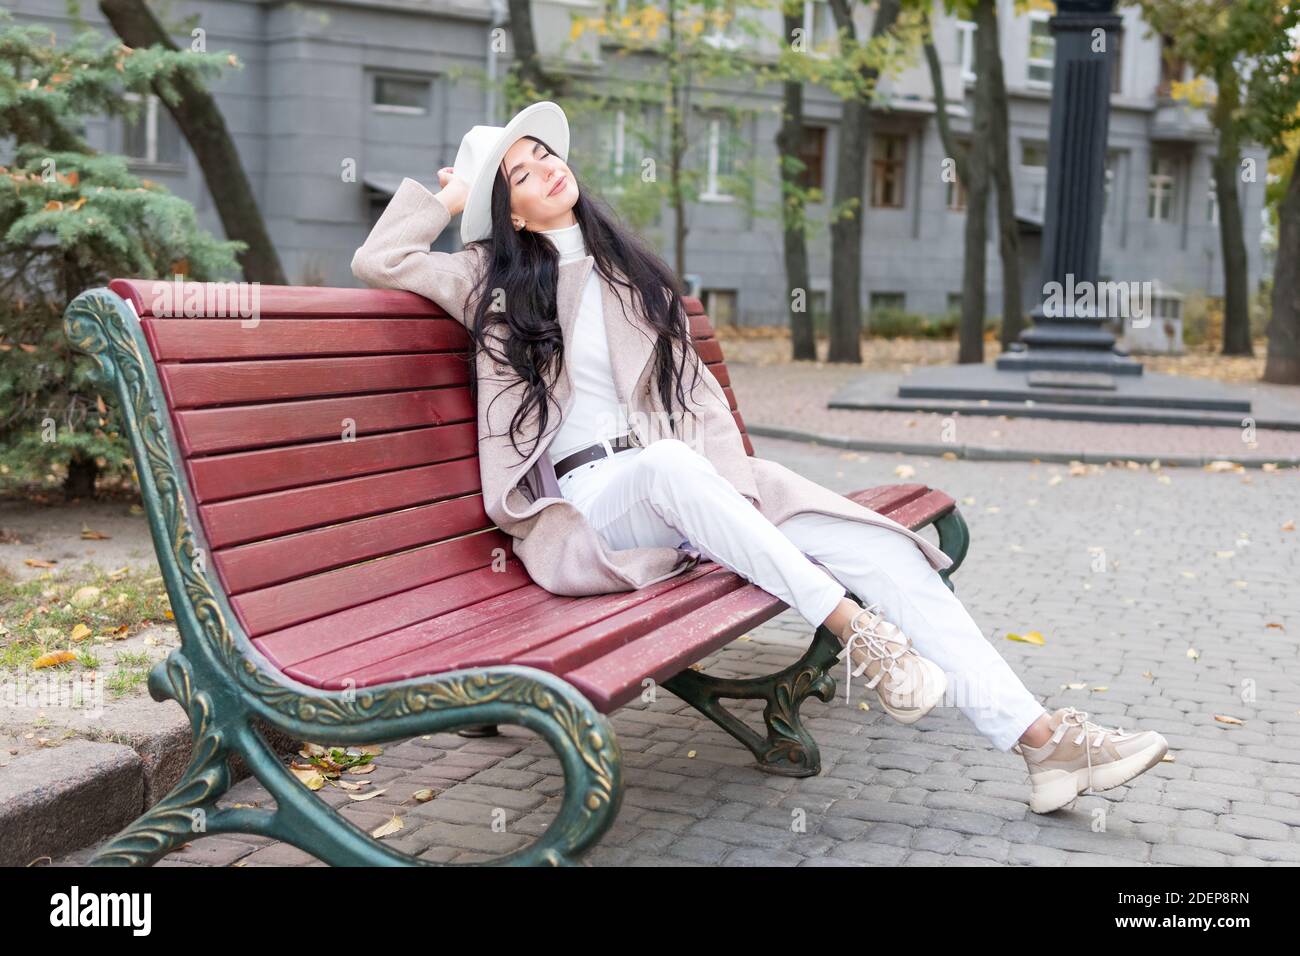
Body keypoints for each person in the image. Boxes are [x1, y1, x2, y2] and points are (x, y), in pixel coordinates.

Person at [351, 101, 1168, 814]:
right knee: (671, 470)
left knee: (881, 549)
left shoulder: (631, 274)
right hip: (591, 512)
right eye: (519, 175)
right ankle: (858, 634)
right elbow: (379, 262)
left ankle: (1042, 742)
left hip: (696, 490)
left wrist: (737, 494)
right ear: (513, 211)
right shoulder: (485, 281)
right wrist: (453, 196)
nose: (545, 172)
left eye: (545, 156)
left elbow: (699, 400)